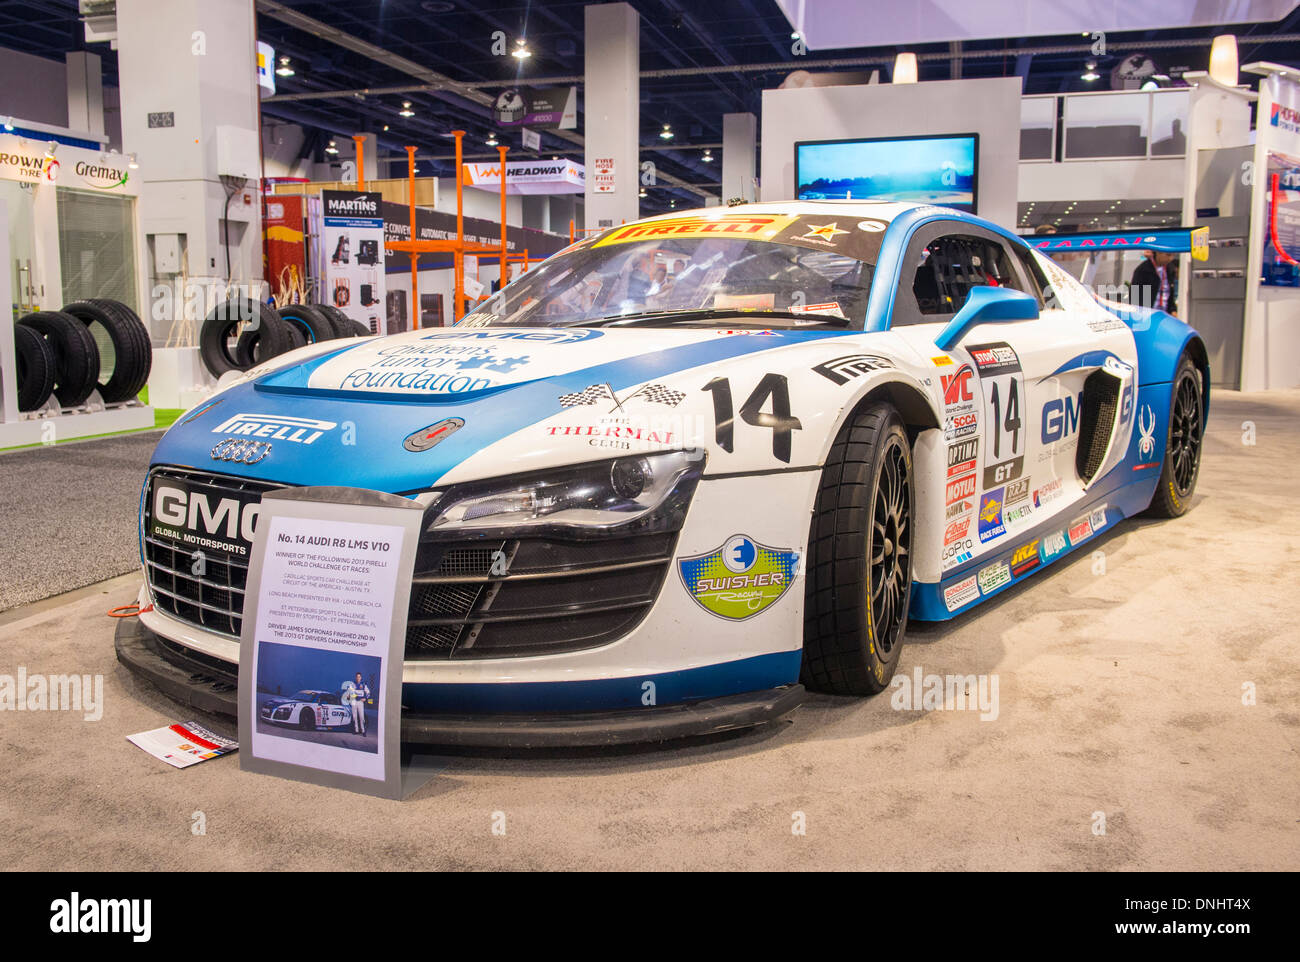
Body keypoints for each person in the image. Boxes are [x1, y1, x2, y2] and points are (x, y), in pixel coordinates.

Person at [1130, 250, 1177, 316]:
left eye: (1173, 255)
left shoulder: (1170, 269)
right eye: (1168, 255)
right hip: (1146, 314)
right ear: (1158, 252)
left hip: (1165, 314)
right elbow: (1134, 296)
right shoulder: (1143, 270)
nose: (1170, 258)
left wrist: (1173, 310)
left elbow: (1170, 293)